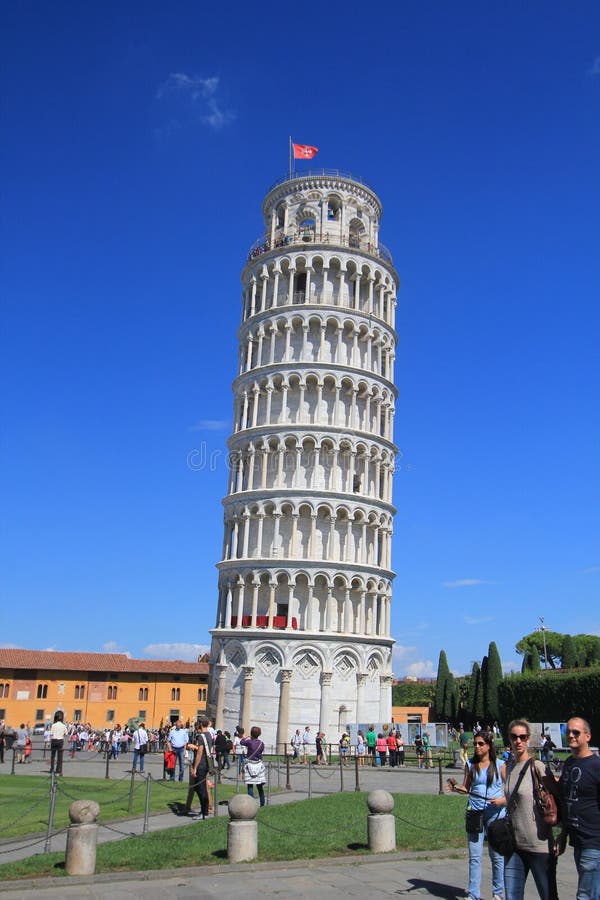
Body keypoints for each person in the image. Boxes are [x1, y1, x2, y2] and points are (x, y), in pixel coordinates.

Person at [447, 728, 506, 900]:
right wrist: (455, 787)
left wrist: (502, 801)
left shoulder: (500, 765)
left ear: (489, 746)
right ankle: (473, 895)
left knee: (497, 856)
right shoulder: (470, 764)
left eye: (481, 744)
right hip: (474, 812)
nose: (477, 747)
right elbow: (466, 788)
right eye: (475, 744)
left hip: (496, 814)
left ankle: (498, 893)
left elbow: (512, 790)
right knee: (475, 857)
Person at [503, 718, 554, 900]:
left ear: (528, 739)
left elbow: (555, 797)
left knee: (547, 895)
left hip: (538, 844)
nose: (518, 741)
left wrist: (562, 834)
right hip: (514, 845)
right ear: (509, 738)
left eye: (522, 737)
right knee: (512, 896)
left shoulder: (537, 767)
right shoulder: (509, 767)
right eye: (514, 737)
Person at [555, 716, 600, 900]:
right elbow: (567, 800)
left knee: (584, 895)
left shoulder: (596, 766)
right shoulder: (569, 763)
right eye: (568, 732)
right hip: (577, 840)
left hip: (593, 841)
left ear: (587, 736)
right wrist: (564, 834)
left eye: (576, 732)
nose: (571, 735)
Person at [185, 718, 213, 819]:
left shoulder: (201, 737)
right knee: (201, 788)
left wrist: (195, 767)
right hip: (206, 764)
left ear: (200, 724)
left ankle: (204, 811)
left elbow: (200, 753)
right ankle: (204, 810)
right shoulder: (209, 735)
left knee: (200, 789)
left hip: (201, 765)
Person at [241, 725, 266, 806]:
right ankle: (262, 804)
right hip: (258, 764)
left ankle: (251, 804)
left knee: (250, 785)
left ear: (251, 733)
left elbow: (242, 742)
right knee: (259, 786)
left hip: (250, 764)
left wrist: (246, 737)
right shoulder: (261, 743)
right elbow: (261, 751)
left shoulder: (249, 742)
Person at [49, 711, 68, 775]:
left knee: (52, 756)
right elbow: (66, 733)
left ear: (56, 719)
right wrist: (61, 734)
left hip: (54, 740)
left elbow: (51, 734)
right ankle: (58, 769)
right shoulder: (63, 725)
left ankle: (52, 769)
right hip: (60, 741)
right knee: (60, 756)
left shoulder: (53, 725)